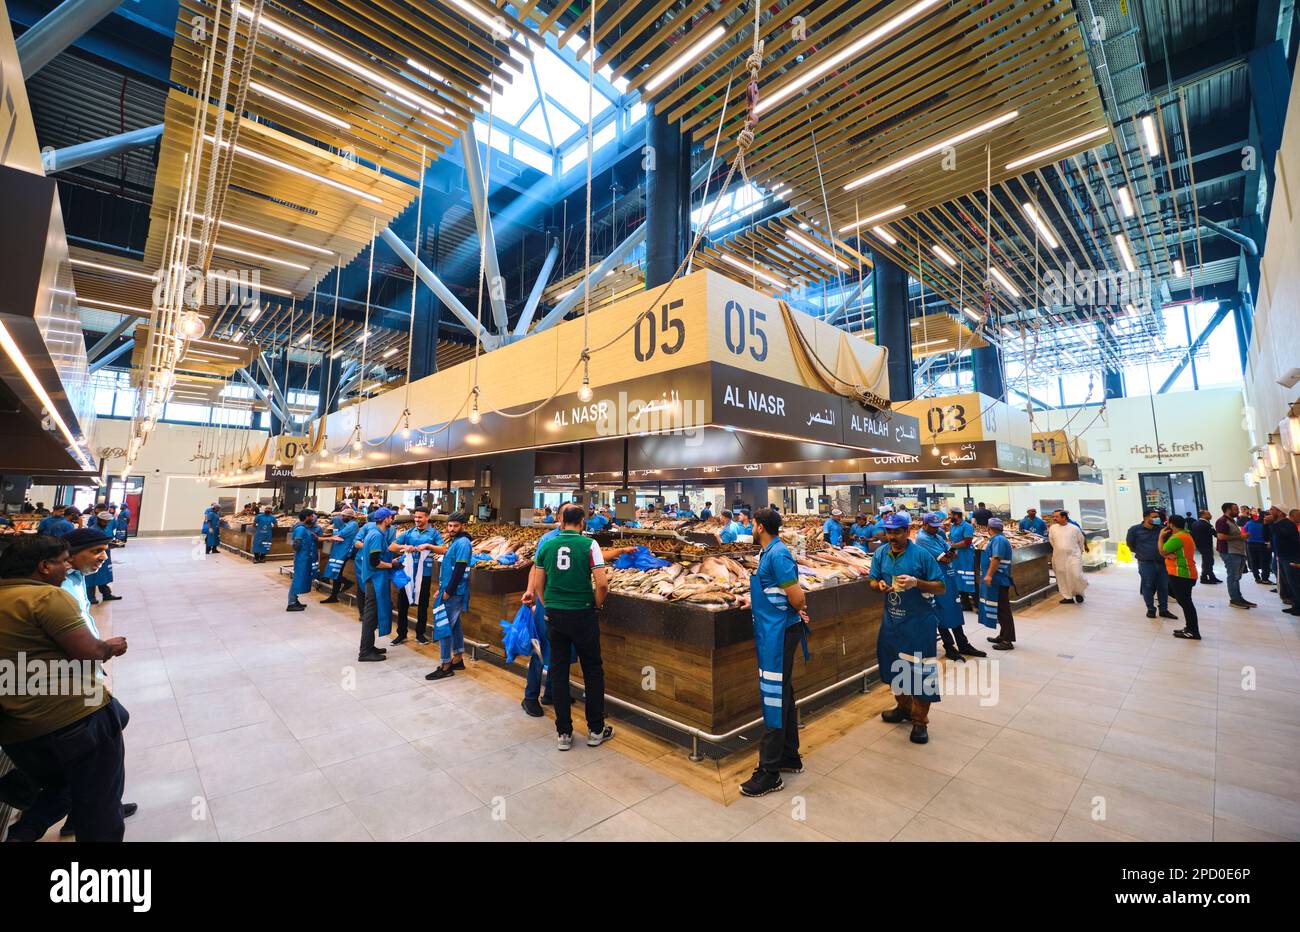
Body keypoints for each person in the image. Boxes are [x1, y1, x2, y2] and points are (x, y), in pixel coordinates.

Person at [0, 535, 130, 842]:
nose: (66, 565)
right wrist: (110, 647)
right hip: (73, 716)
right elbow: (89, 651)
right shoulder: (46, 596)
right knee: (100, 805)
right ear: (44, 566)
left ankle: (23, 833)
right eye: (62, 561)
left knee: (62, 787)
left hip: (18, 728)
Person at [521, 504, 612, 750]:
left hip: (555, 615)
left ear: (561, 521)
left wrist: (547, 604)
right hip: (582, 613)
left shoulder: (547, 545)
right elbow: (602, 584)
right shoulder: (589, 545)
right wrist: (597, 605)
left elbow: (539, 581)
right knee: (592, 670)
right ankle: (595, 729)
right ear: (582, 521)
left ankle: (564, 733)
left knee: (558, 671)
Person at [739, 508, 810, 796]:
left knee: (773, 697)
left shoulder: (778, 554)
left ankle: (769, 772)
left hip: (779, 633)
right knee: (783, 693)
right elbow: (773, 591)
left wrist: (798, 611)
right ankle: (789, 757)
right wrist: (752, 601)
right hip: (773, 630)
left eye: (752, 524)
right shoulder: (769, 552)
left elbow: (798, 596)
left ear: (758, 526)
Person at [870, 512, 944, 742]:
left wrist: (917, 583)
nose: (892, 536)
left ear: (907, 531)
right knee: (894, 667)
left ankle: (920, 721)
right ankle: (904, 706)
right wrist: (878, 585)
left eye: (897, 532)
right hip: (892, 622)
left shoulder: (921, 555)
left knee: (920, 673)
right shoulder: (881, 553)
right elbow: (872, 579)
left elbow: (940, 586)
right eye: (889, 532)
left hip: (919, 623)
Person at [914, 513, 985, 661]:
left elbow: (955, 553)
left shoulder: (936, 536)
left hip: (949, 578)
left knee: (954, 610)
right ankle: (949, 646)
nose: (935, 529)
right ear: (924, 525)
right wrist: (950, 553)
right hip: (937, 579)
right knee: (942, 612)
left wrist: (950, 553)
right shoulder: (922, 538)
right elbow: (946, 558)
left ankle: (963, 643)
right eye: (932, 527)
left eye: (936, 527)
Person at [425, 512, 473, 680]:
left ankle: (446, 665)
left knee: (444, 626)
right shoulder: (456, 541)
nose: (451, 529)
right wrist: (443, 588)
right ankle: (458, 658)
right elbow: (450, 569)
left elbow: (459, 570)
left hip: (455, 592)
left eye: (455, 526)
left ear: (463, 526)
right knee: (454, 624)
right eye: (450, 526)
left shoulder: (463, 543)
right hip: (450, 589)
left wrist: (449, 591)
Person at [390, 506, 443, 645]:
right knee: (402, 604)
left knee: (423, 605)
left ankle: (420, 634)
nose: (417, 520)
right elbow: (392, 546)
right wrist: (403, 547)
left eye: (420, 517)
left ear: (427, 517)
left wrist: (429, 546)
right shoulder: (409, 532)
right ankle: (401, 634)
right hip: (406, 573)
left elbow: (444, 549)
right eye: (416, 517)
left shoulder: (434, 534)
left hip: (424, 574)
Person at [356, 508, 397, 661]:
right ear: (385, 519)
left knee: (372, 616)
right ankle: (365, 652)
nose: (392, 520)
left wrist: (390, 561)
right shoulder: (376, 536)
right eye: (390, 517)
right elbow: (374, 562)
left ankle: (369, 646)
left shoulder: (376, 533)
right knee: (370, 615)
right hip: (374, 579)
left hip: (376, 578)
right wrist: (391, 566)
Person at [1126, 508, 1178, 620]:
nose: (1157, 519)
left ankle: (1163, 609)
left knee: (1163, 586)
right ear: (1145, 517)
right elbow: (1130, 545)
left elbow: (1168, 545)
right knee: (1147, 585)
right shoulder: (1134, 530)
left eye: (1157, 517)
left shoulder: (1162, 530)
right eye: (1154, 517)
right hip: (1145, 563)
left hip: (1162, 562)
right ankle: (1150, 609)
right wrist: (1143, 553)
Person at [1160, 515, 1201, 639]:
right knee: (1186, 602)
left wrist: (1161, 536)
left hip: (1181, 574)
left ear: (1171, 525)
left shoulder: (1177, 537)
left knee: (1186, 603)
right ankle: (1190, 628)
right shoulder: (1186, 535)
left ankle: (1193, 631)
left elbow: (1162, 550)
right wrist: (1167, 556)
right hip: (1187, 573)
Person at [980, 518, 1016, 650]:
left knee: (1003, 610)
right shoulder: (997, 539)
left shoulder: (999, 540)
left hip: (999, 579)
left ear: (989, 529)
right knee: (1000, 609)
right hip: (997, 579)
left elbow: (996, 558)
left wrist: (989, 575)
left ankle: (1007, 640)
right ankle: (1003, 635)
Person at [1215, 502, 1254, 609]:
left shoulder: (1231, 520)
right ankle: (1235, 599)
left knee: (1236, 577)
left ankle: (1239, 598)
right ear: (1228, 510)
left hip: (1236, 551)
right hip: (1230, 552)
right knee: (1233, 576)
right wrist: (1240, 536)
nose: (1238, 511)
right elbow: (1221, 536)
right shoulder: (1222, 521)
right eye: (1235, 509)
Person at [320, 507, 360, 603]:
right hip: (338, 551)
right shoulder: (347, 524)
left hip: (343, 552)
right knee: (336, 572)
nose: (342, 517)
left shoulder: (353, 525)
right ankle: (334, 596)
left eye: (344, 515)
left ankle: (347, 582)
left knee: (335, 572)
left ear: (350, 517)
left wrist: (335, 534)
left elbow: (340, 534)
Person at [1049, 509, 1088, 604]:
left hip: (1073, 556)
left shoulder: (1074, 528)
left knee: (1076, 575)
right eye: (1054, 517)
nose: (1054, 518)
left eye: (1057, 517)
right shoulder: (1053, 528)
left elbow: (1081, 541)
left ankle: (1079, 593)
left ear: (1064, 517)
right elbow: (1052, 541)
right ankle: (1068, 597)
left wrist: (1076, 551)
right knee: (1062, 577)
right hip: (1058, 556)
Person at [286, 510, 321, 612]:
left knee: (300, 579)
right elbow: (297, 543)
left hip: (305, 557)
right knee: (297, 579)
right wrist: (301, 553)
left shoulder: (304, 528)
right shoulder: (301, 528)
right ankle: (291, 603)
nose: (312, 519)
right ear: (306, 517)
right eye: (311, 516)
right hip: (302, 558)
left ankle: (295, 600)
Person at [85, 513, 121, 604]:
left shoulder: (105, 528)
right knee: (91, 577)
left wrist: (111, 544)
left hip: (104, 555)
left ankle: (107, 594)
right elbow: (92, 545)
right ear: (99, 520)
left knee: (103, 576)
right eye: (105, 521)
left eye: (108, 521)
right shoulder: (93, 530)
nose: (107, 523)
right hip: (95, 557)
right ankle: (90, 597)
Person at [947, 508, 977, 611]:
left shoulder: (967, 526)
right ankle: (966, 604)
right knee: (958, 580)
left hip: (966, 557)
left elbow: (967, 542)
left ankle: (977, 605)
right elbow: (951, 540)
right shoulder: (952, 527)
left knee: (969, 579)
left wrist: (953, 546)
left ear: (957, 515)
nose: (949, 517)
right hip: (956, 558)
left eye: (951, 515)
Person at [1274, 509, 1300, 616]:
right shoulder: (1286, 524)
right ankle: (1295, 605)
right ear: (1292, 515)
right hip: (1285, 556)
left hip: (1292, 557)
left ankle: (1298, 607)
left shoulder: (1289, 525)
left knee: (1295, 583)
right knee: (1290, 583)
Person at [1190, 509, 1220, 584]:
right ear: (1203, 515)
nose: (1210, 515)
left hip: (1200, 546)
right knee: (1208, 562)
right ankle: (1204, 578)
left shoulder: (1195, 523)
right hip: (1206, 546)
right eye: (1208, 514)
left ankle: (1211, 576)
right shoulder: (1205, 524)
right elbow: (1215, 534)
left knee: (1207, 561)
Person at [1244, 509, 1270, 584]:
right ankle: (1265, 578)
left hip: (1250, 544)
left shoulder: (1249, 523)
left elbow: (1245, 530)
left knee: (1253, 561)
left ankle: (1257, 578)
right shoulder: (1264, 525)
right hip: (1262, 544)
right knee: (1264, 562)